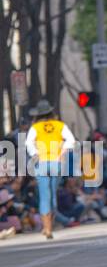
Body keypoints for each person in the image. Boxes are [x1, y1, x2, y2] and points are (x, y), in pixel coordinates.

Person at [24, 100, 74, 239]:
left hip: (42, 163)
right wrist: (62, 152)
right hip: (56, 163)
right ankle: (50, 226)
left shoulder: (35, 127)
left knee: (44, 196)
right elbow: (70, 140)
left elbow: (28, 143)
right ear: (51, 112)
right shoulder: (60, 125)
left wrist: (36, 155)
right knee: (52, 195)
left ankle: (47, 228)